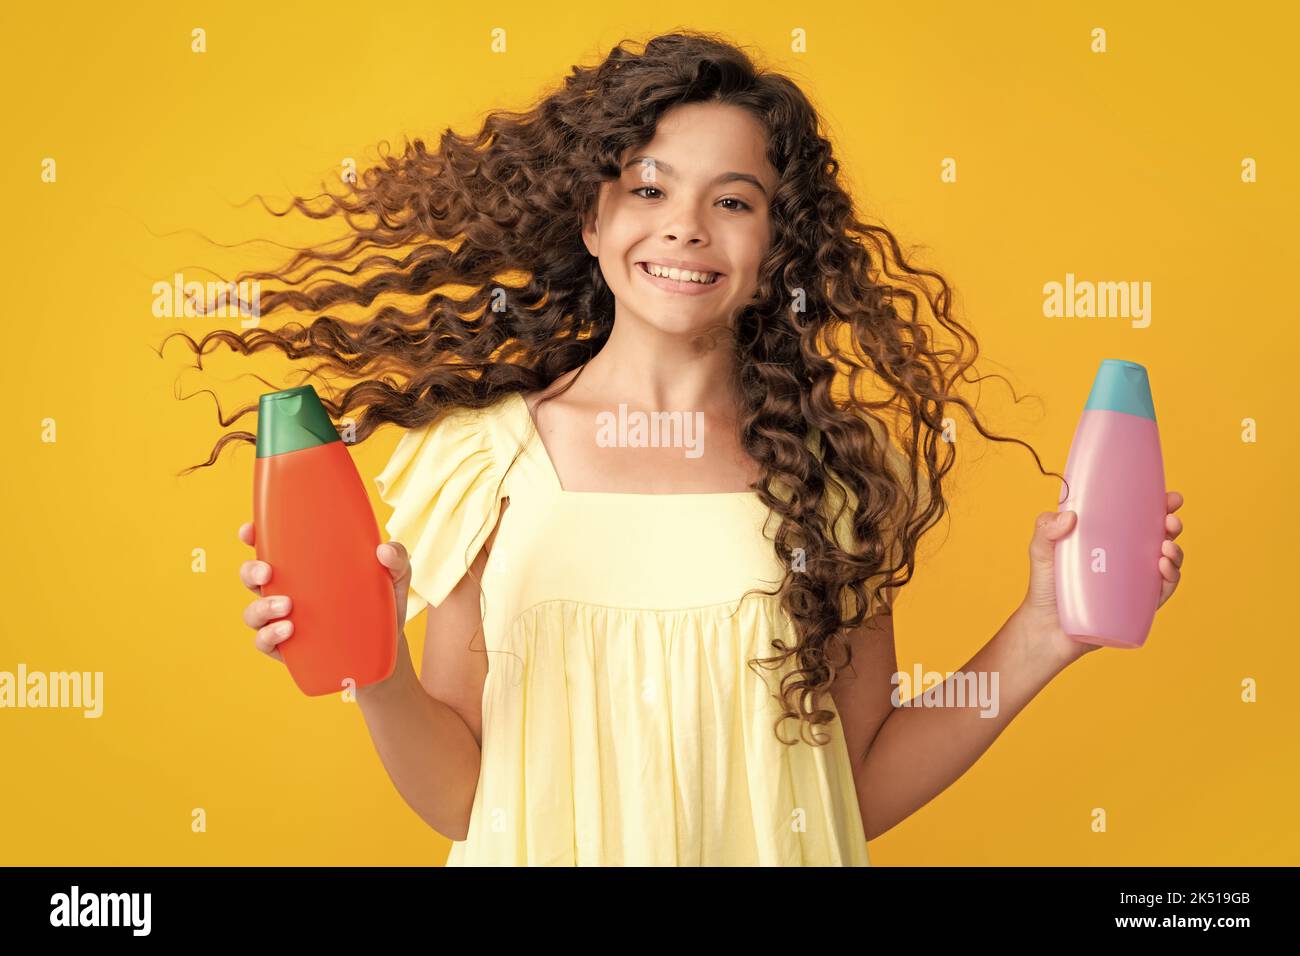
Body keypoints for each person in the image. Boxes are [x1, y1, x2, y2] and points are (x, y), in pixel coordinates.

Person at [176, 32, 1186, 865]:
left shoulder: (826, 475)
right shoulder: (487, 463)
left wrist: (1046, 630)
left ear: (775, 241)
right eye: (649, 190)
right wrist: (377, 664)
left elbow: (853, 786)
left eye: (732, 200)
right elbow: (462, 798)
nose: (687, 229)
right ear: (593, 214)